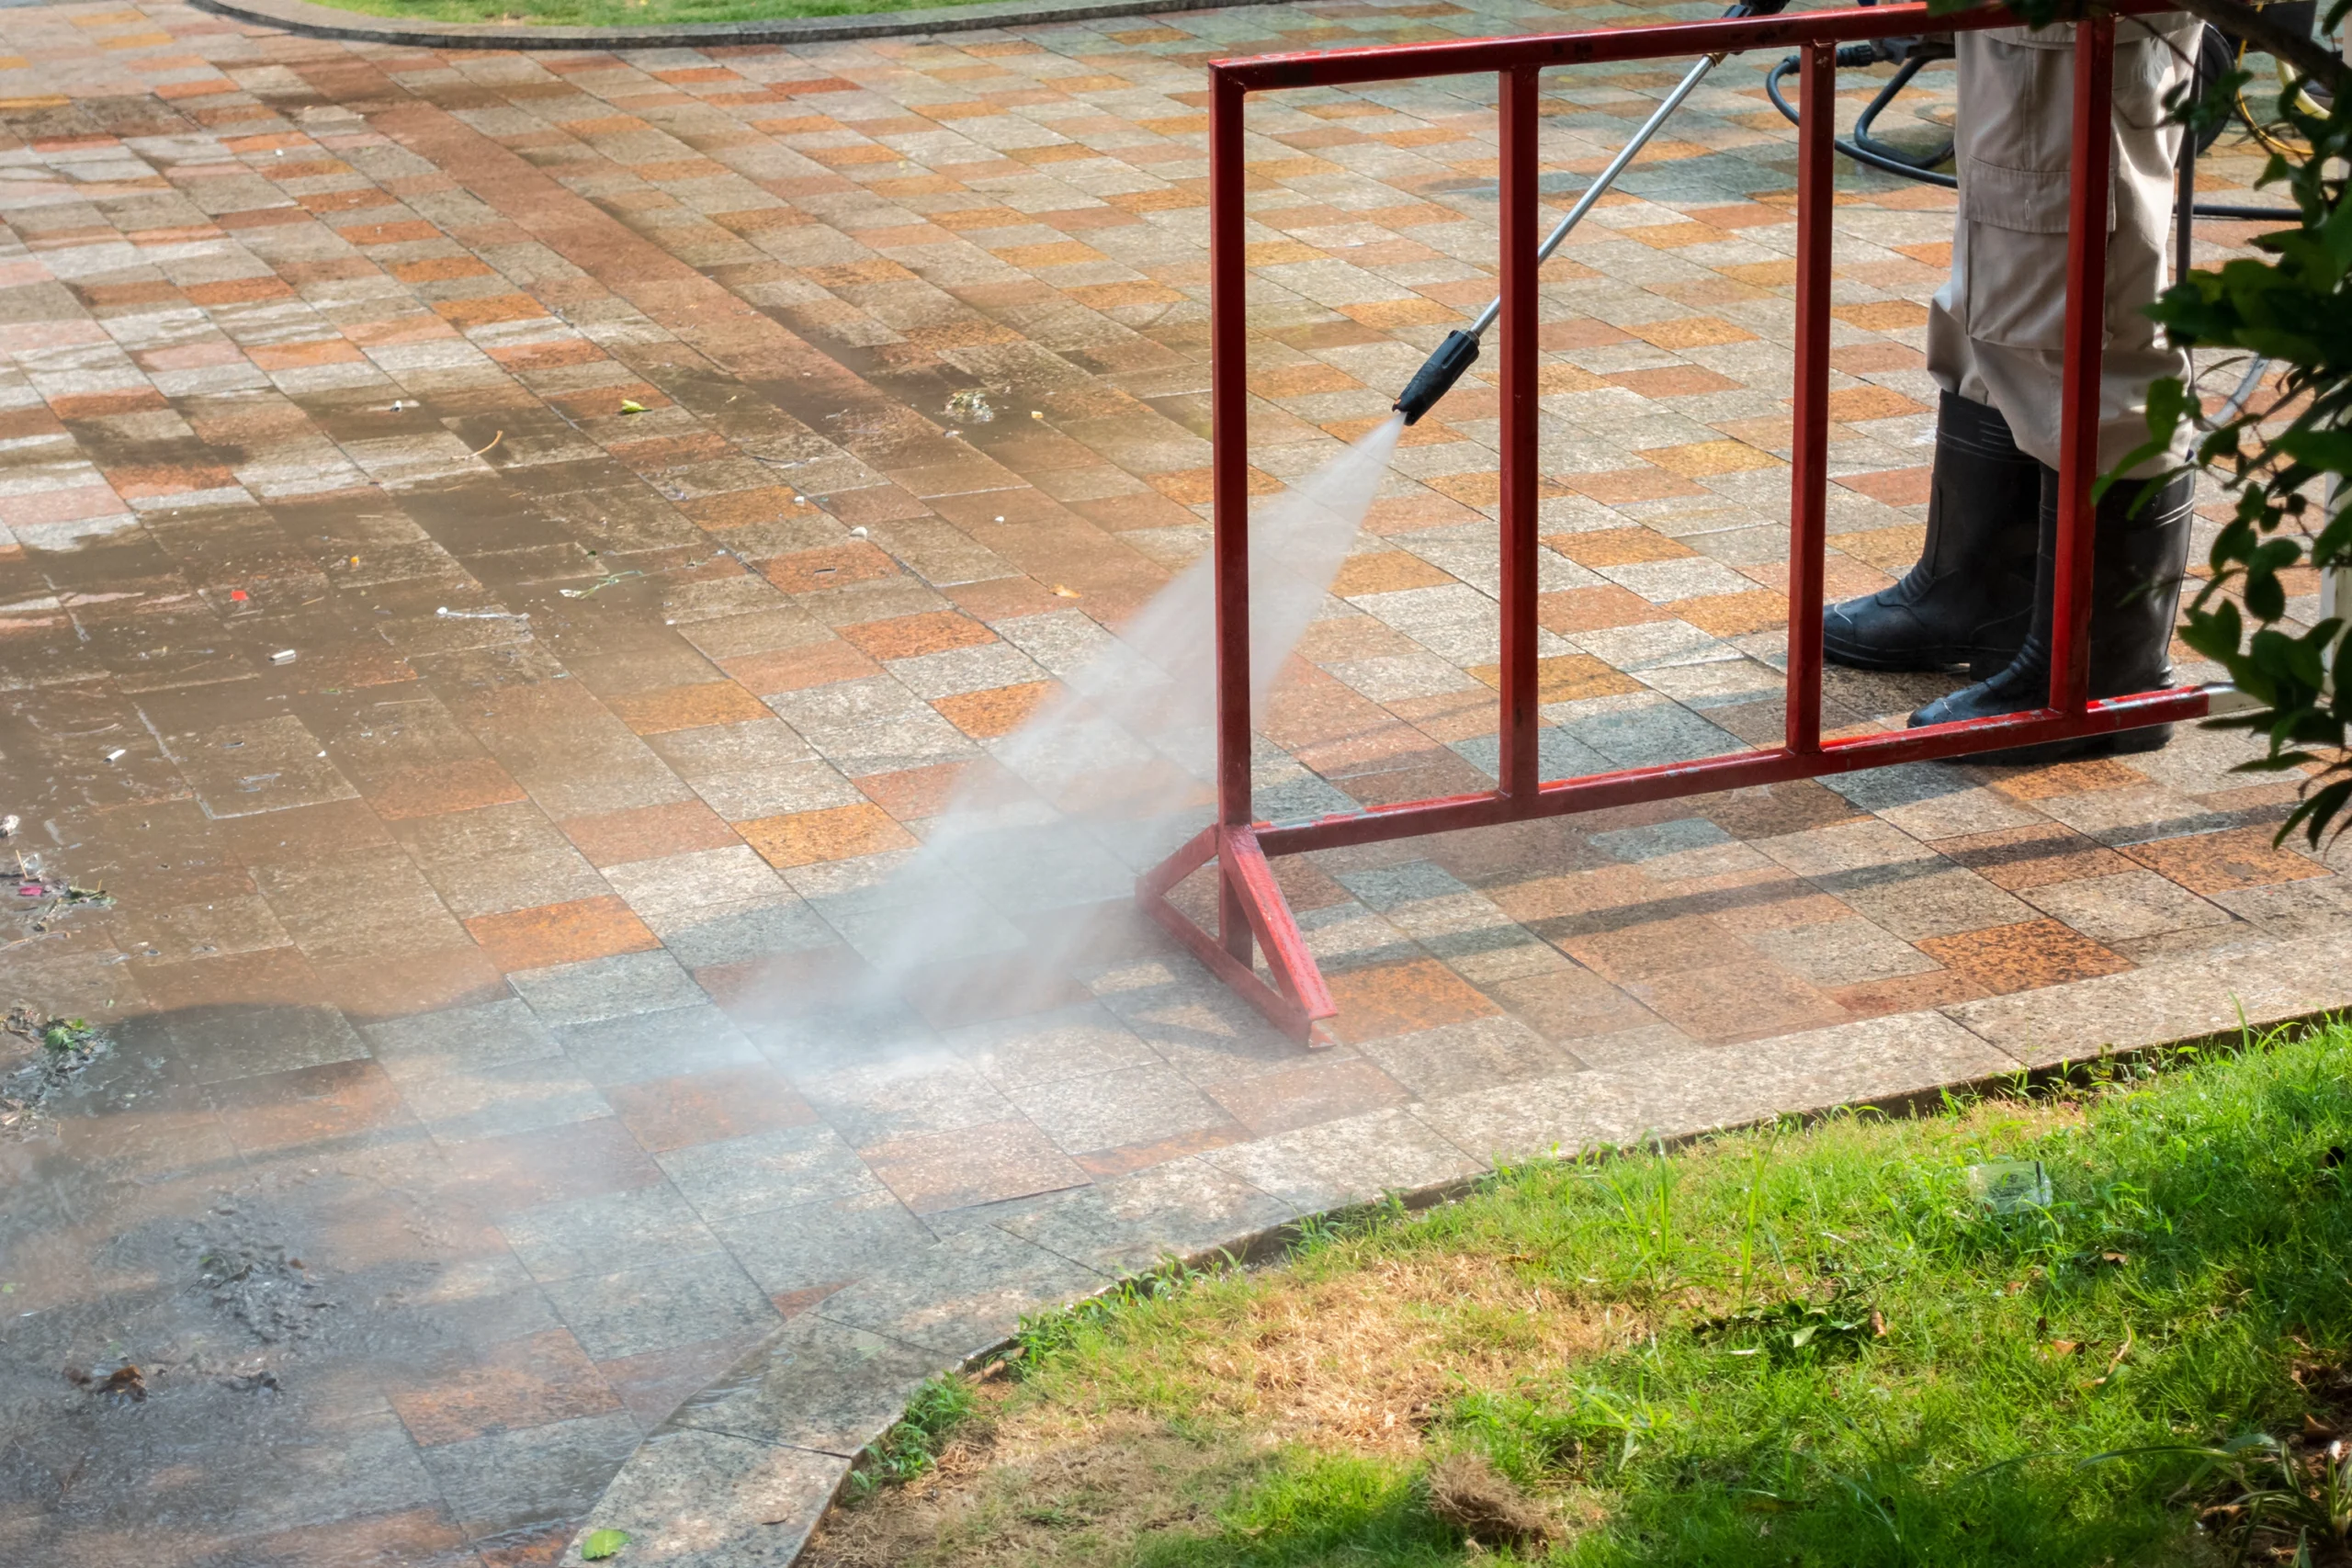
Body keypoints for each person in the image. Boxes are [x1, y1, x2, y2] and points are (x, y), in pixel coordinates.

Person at [1821, 13, 2204, 761]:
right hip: (2024, 30)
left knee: (2081, 332)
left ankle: (2099, 677)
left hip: (2081, 26)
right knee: (1987, 311)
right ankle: (1978, 598)